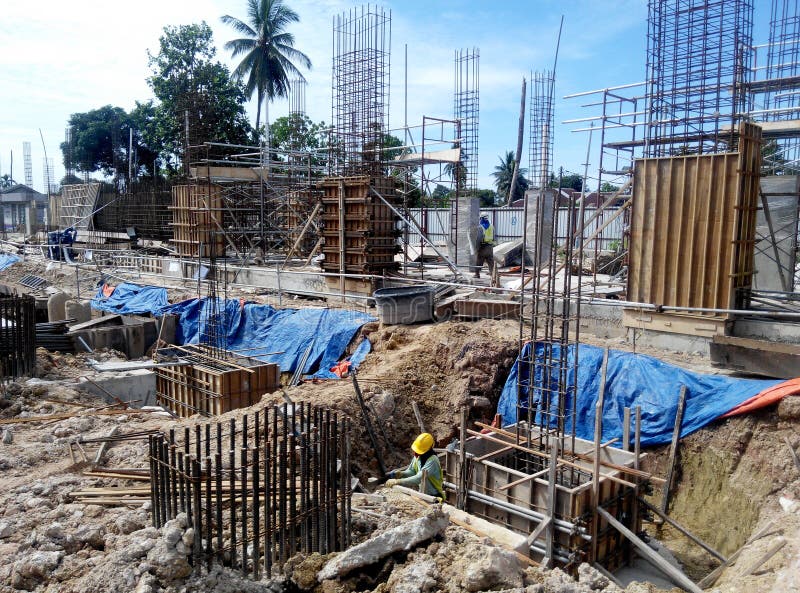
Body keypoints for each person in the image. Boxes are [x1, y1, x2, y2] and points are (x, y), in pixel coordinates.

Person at [385, 432, 446, 499]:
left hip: (434, 496)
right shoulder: (419, 456)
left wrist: (398, 481)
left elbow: (418, 478)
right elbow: (412, 471)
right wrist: (401, 473)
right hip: (423, 494)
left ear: (428, 449)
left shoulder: (433, 460)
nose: (416, 453)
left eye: (418, 451)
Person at [474, 215, 496, 283]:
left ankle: (477, 274)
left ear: (481, 218)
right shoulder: (492, 226)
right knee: (490, 262)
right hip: (490, 247)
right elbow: (494, 237)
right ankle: (493, 275)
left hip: (483, 247)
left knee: (479, 261)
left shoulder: (481, 227)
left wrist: (476, 248)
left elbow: (478, 239)